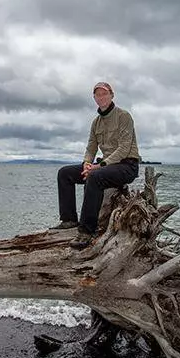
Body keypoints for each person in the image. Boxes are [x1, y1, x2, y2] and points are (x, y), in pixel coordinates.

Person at [52, 82, 140, 249]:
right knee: (64, 173)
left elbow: (124, 148)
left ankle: (86, 231)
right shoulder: (96, 122)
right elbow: (91, 147)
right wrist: (87, 163)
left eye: (104, 93)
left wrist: (98, 166)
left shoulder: (123, 116)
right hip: (105, 166)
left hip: (127, 166)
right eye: (97, 95)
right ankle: (69, 220)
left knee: (95, 176)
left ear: (112, 95)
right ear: (94, 98)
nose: (101, 97)